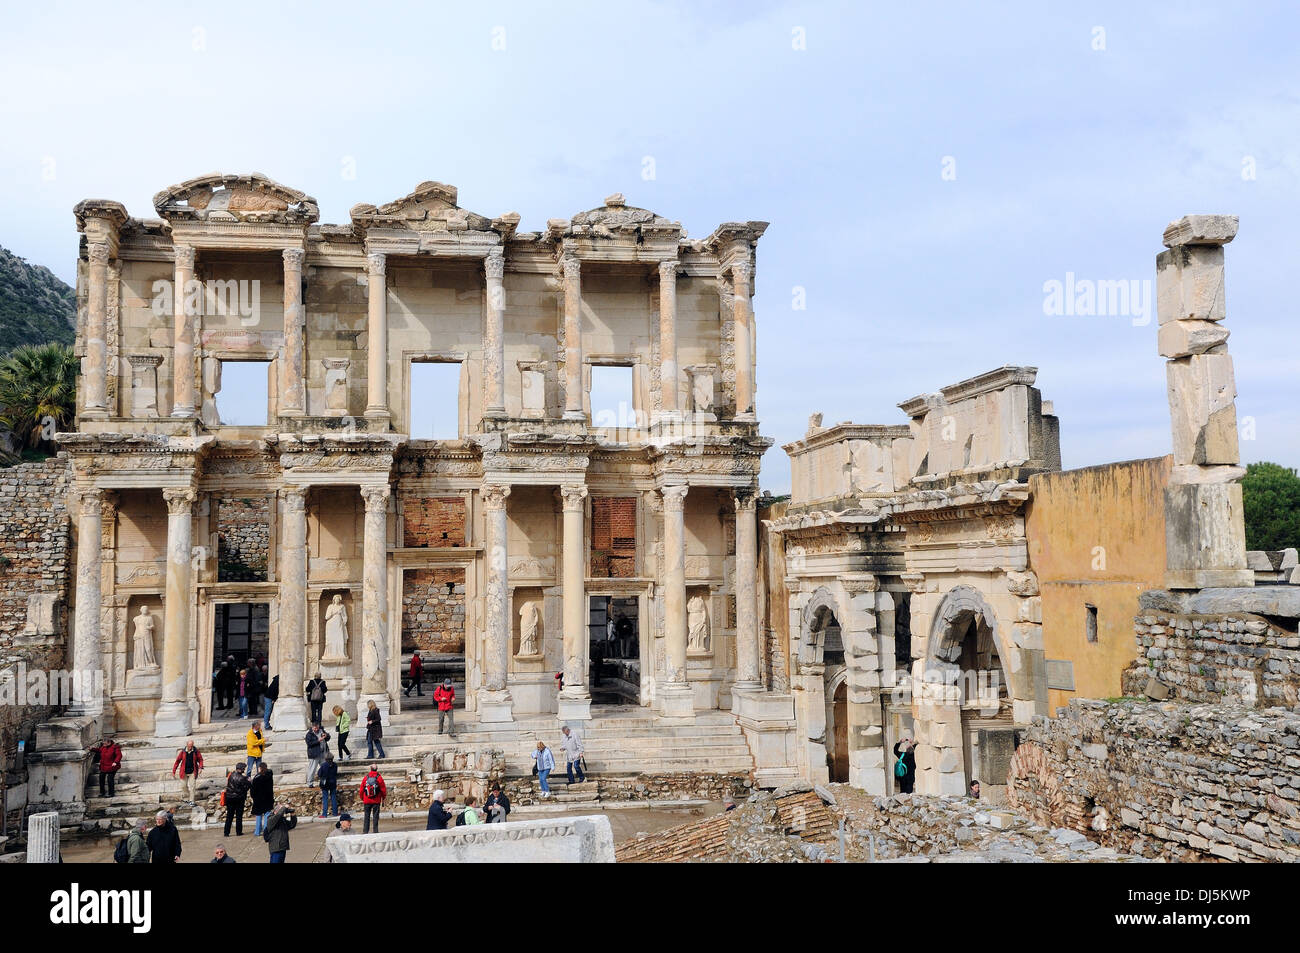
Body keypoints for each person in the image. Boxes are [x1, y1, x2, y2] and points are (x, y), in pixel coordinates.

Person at [223, 763, 251, 837]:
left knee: (229, 815)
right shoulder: (241, 778)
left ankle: (226, 832)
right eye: (243, 769)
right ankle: (238, 832)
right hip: (238, 798)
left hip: (229, 797)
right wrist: (249, 782)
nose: (244, 770)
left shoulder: (231, 775)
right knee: (239, 816)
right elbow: (246, 788)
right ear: (241, 769)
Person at [359, 763, 387, 834]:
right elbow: (383, 789)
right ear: (377, 769)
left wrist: (362, 798)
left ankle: (365, 831)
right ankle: (375, 831)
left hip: (367, 800)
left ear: (370, 769)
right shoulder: (379, 778)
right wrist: (383, 797)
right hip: (376, 801)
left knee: (366, 816)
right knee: (375, 816)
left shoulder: (366, 777)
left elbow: (361, 789)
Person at [250, 762, 275, 838]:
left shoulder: (257, 778)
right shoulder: (269, 775)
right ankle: (266, 831)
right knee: (267, 815)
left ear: (259, 768)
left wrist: (253, 797)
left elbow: (252, 790)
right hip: (268, 798)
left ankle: (257, 831)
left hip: (258, 800)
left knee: (258, 816)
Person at [318, 752, 339, 817]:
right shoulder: (335, 765)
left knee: (325, 798)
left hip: (325, 783)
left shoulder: (323, 765)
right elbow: (335, 773)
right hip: (333, 782)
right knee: (333, 798)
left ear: (326, 759)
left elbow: (319, 774)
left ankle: (324, 814)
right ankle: (335, 813)